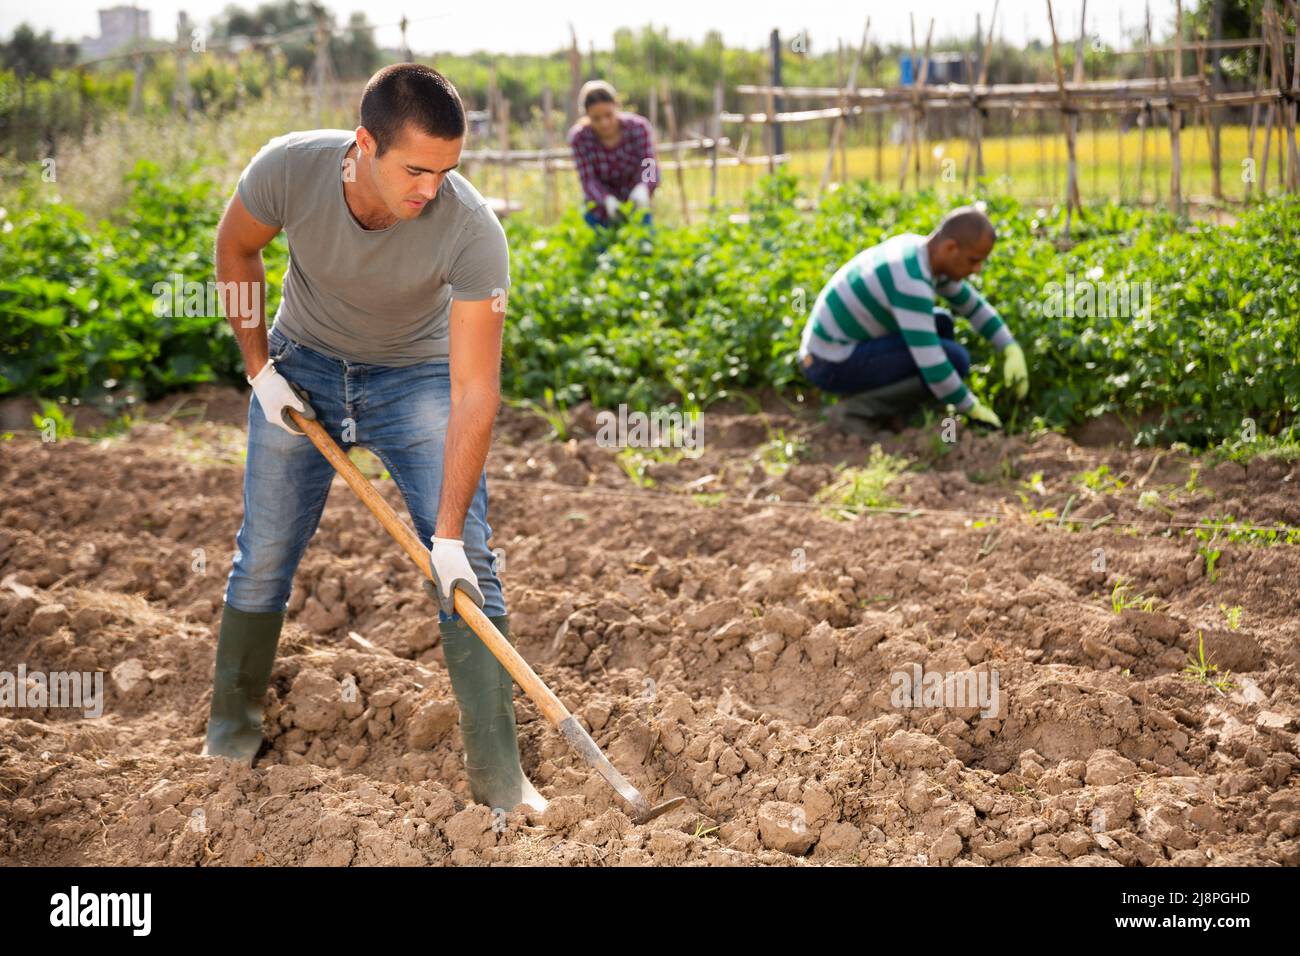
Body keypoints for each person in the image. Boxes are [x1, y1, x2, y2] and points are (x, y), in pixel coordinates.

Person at [204, 62, 546, 815]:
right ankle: (228, 738)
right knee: (262, 557)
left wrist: (448, 536)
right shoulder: (289, 168)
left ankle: (502, 783)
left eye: (447, 170)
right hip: (305, 366)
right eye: (415, 168)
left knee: (471, 570)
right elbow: (235, 251)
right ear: (364, 145)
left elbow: (473, 389)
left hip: (416, 380)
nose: (431, 188)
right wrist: (260, 369)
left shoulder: (470, 228)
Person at [797, 206, 1029, 433]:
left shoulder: (921, 252)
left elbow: (973, 307)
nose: (977, 269)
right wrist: (972, 408)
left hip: (835, 350)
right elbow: (934, 366)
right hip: (827, 363)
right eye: (973, 260)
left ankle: (897, 410)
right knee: (954, 359)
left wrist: (1010, 348)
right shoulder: (910, 280)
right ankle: (854, 411)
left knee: (942, 325)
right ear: (950, 248)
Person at [567, 79, 657, 230]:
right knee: (602, 252)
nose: (604, 123)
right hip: (600, 213)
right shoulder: (580, 138)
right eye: (596, 118)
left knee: (644, 249)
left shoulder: (638, 128)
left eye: (609, 115)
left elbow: (649, 166)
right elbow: (588, 179)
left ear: (616, 106)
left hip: (637, 206)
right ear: (586, 115)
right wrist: (606, 200)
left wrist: (643, 188)